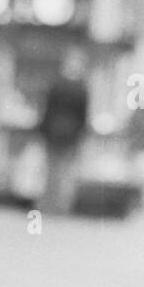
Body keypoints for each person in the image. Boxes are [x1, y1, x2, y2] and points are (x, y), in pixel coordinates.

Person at [40, 48, 89, 215]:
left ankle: (47, 205)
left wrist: (42, 131)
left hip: (53, 133)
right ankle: (61, 207)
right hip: (71, 135)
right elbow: (84, 116)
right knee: (65, 171)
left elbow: (47, 111)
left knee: (51, 171)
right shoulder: (82, 88)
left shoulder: (56, 85)